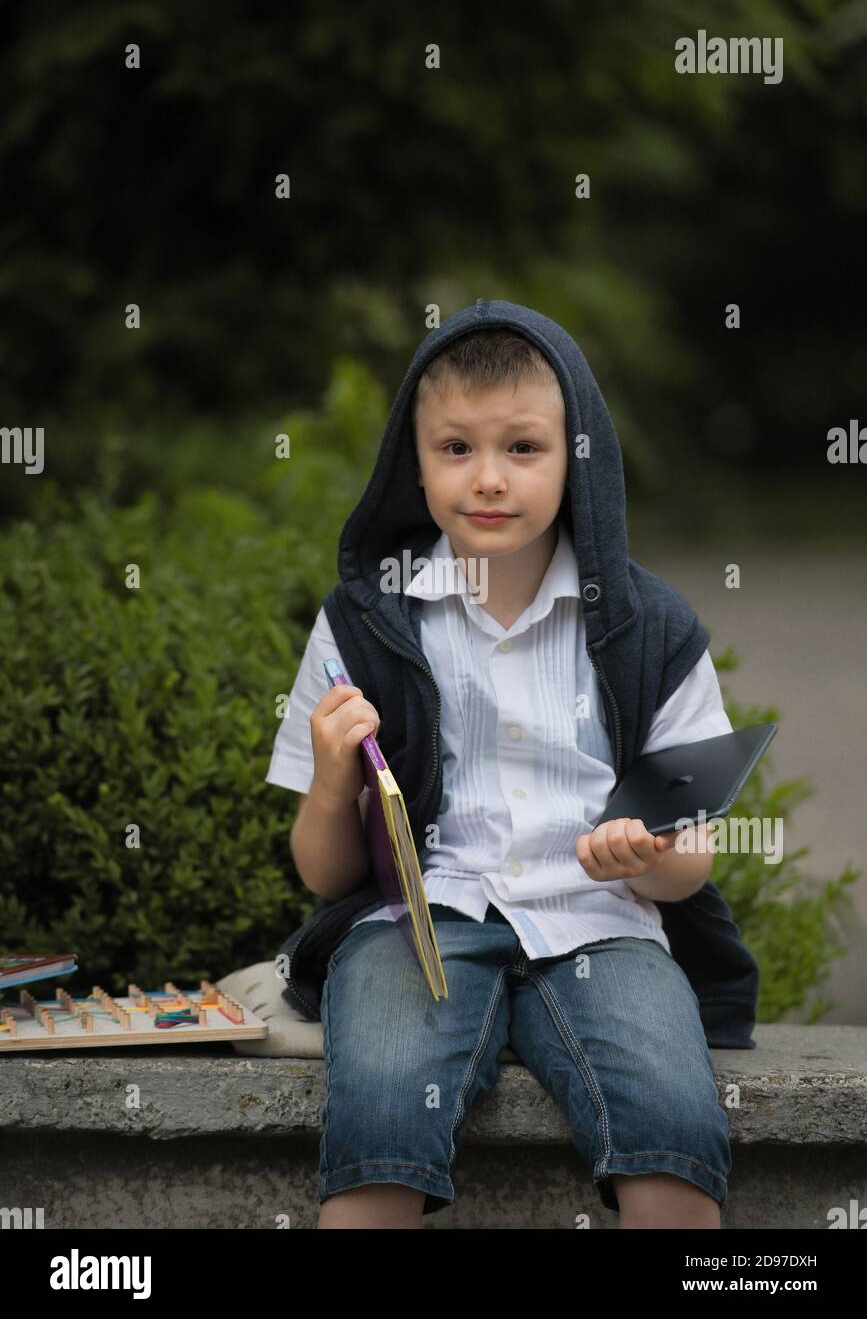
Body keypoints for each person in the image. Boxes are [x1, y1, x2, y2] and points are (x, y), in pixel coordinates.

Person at [266, 298, 758, 1229]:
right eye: (455, 448)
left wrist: (643, 855)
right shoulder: (363, 623)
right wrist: (336, 777)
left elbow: (692, 862)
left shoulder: (651, 631)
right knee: (379, 1102)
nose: (487, 479)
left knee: (670, 1121)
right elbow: (325, 873)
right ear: (411, 462)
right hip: (421, 919)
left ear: (578, 458)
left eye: (523, 448)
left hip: (603, 925)